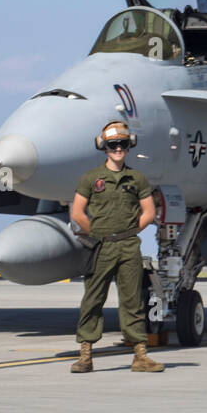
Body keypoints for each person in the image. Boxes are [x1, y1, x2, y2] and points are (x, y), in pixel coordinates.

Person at [69, 120, 164, 374]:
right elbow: (78, 212)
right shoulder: (91, 178)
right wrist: (97, 234)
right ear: (104, 147)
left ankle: (141, 355)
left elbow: (149, 211)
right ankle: (86, 355)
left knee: (133, 301)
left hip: (128, 247)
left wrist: (132, 232)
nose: (118, 149)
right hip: (100, 247)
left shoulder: (137, 178)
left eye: (122, 144)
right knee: (93, 299)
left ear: (128, 146)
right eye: (113, 145)